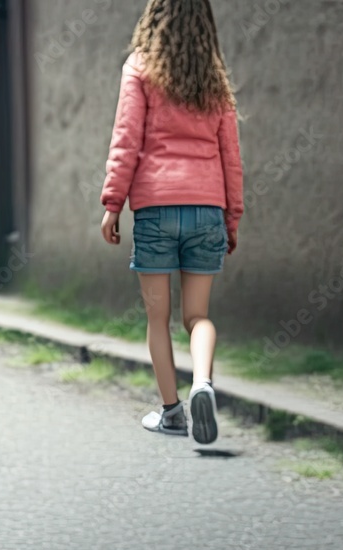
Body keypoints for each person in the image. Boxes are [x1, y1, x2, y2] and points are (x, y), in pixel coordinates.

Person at [98, 0, 243, 445]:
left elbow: (126, 139)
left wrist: (112, 203)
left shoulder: (139, 67)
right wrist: (231, 216)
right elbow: (231, 158)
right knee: (198, 316)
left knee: (157, 317)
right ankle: (203, 383)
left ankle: (173, 412)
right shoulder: (214, 80)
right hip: (207, 209)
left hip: (156, 209)